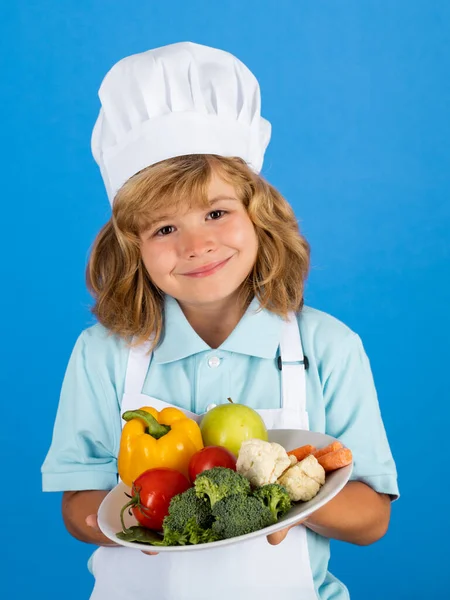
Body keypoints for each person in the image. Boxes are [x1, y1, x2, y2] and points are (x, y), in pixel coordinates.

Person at [41, 42, 399, 600]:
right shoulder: (105, 352)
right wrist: (145, 517)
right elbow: (78, 504)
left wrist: (279, 506)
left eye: (216, 213)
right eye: (164, 229)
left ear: (260, 215)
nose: (197, 244)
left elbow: (372, 518)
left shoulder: (326, 346)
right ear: (131, 248)